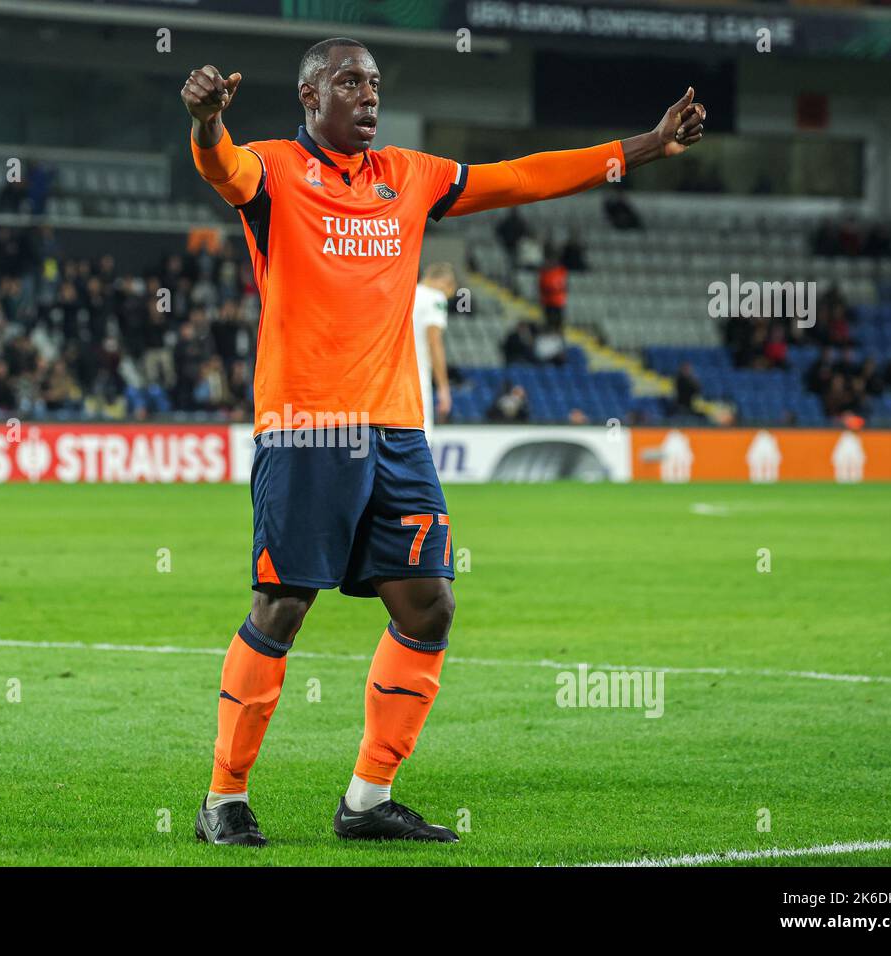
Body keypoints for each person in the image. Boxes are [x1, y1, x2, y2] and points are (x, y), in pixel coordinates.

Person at [182, 37, 706, 846]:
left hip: (396, 430)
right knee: (283, 605)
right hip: (308, 425)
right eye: (350, 82)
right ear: (310, 97)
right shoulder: (276, 169)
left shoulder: (412, 175)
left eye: (375, 83)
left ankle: (365, 801)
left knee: (429, 606)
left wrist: (643, 146)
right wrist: (209, 124)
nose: (369, 95)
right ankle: (223, 800)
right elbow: (225, 172)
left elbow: (523, 176)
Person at [413, 261, 455, 441]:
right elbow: (434, 341)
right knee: (422, 434)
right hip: (417, 374)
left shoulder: (406, 292)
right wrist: (443, 387)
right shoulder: (435, 297)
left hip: (389, 375)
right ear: (445, 283)